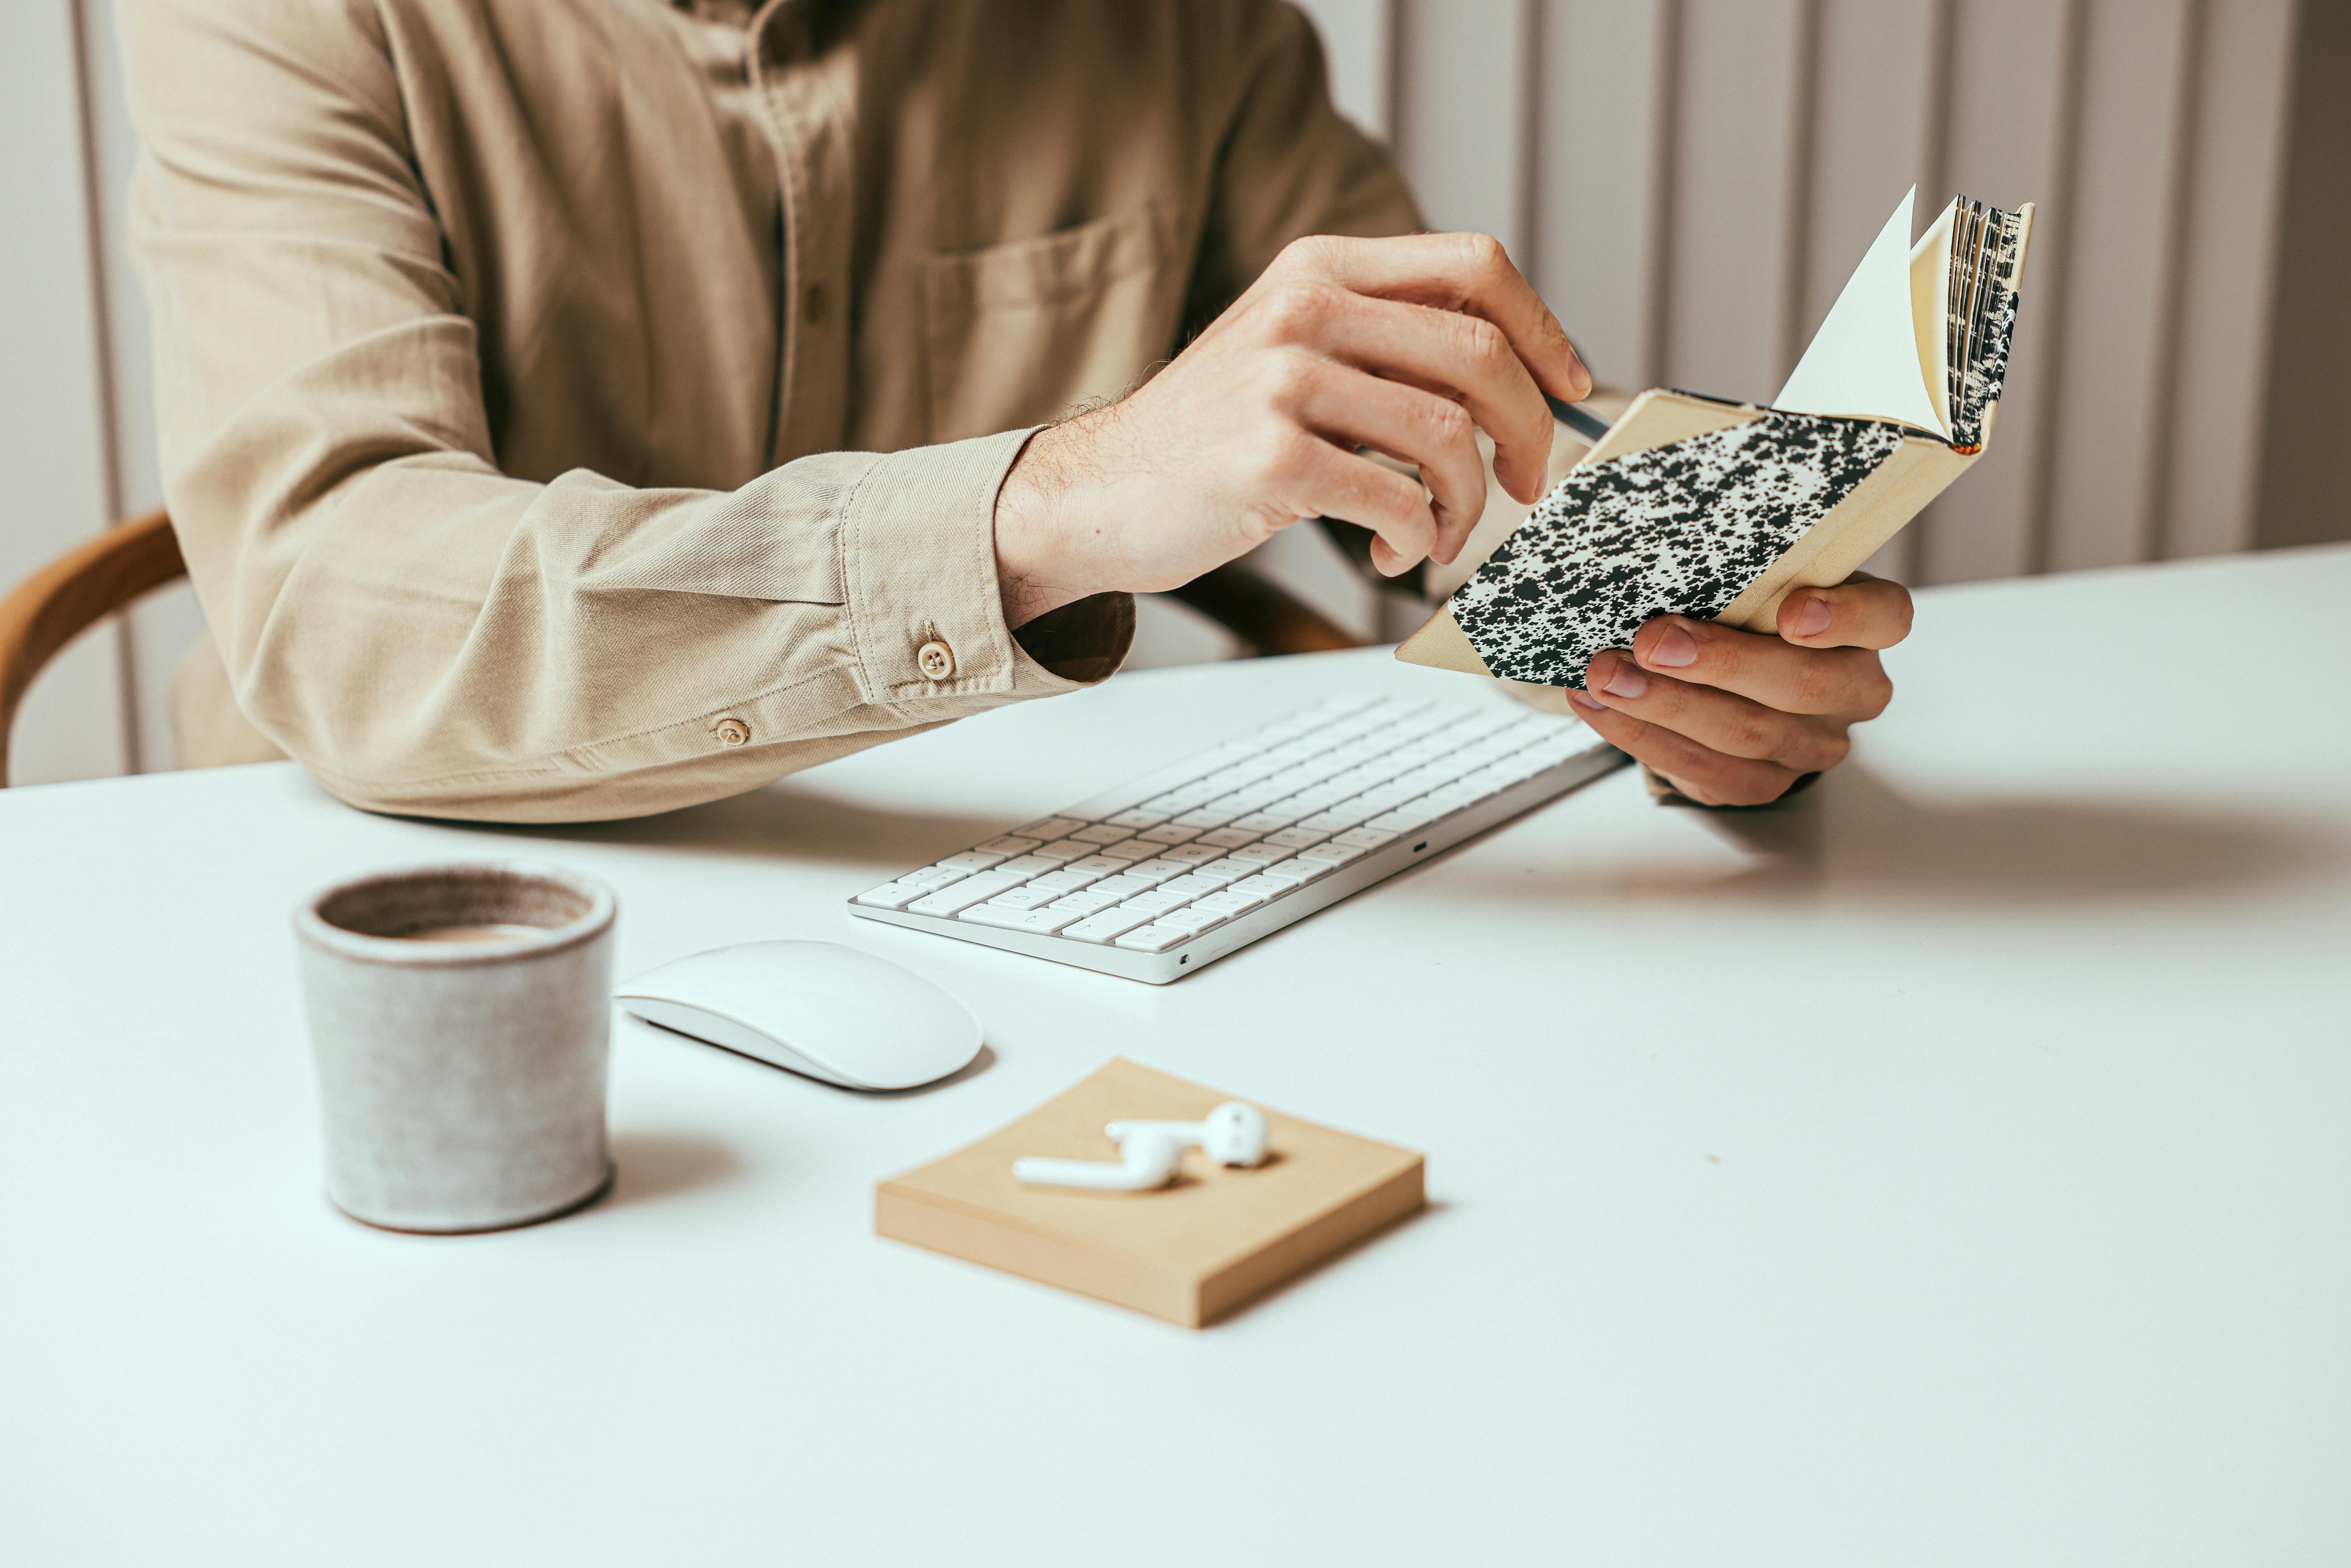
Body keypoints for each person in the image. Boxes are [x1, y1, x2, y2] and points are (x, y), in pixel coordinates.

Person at [123, 0, 1909, 822]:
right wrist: (1047, 508)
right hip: (403, 903)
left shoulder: (1180, 35)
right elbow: (340, 604)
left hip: (1007, 920)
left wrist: (1675, 652)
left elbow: (1450, 469)